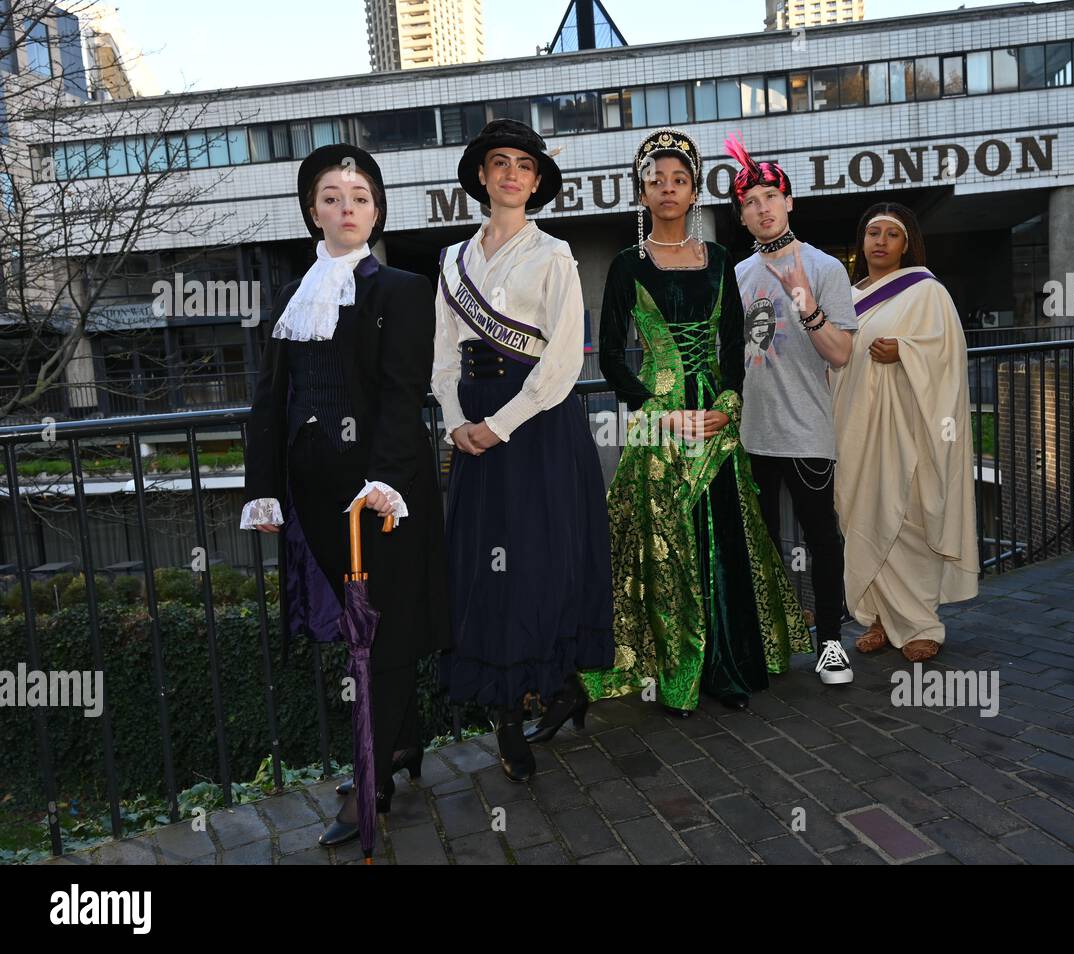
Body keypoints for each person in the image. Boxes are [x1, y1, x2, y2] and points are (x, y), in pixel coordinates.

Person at [242, 143, 451, 848]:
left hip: (380, 490)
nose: (346, 208)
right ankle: (400, 740)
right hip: (313, 486)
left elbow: (401, 397)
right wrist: (265, 489)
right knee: (357, 624)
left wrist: (386, 482)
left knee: (379, 629)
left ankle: (372, 785)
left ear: (377, 209)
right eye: (331, 197)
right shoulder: (293, 295)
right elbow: (270, 400)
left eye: (359, 197)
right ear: (312, 211)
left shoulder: (401, 290)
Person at [584, 128, 810, 717]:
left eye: (678, 181)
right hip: (663, 422)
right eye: (656, 181)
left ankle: (730, 662)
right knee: (670, 546)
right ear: (642, 193)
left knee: (727, 535)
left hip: (714, 418)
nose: (667, 189)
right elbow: (610, 355)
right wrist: (661, 412)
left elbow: (733, 347)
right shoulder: (626, 266)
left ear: (693, 194)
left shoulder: (723, 262)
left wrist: (727, 404)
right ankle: (678, 668)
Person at [432, 119, 613, 783]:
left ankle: (562, 687)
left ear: (537, 183)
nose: (510, 173)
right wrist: (455, 420)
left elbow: (563, 362)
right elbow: (443, 355)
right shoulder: (451, 261)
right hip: (474, 431)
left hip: (535, 427)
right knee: (483, 573)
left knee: (542, 564)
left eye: (523, 166)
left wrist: (498, 425)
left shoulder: (554, 254)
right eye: (498, 162)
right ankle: (507, 715)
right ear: (480, 175)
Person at [725, 133, 857, 686]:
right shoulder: (737, 277)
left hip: (805, 429)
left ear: (789, 202)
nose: (762, 208)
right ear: (743, 215)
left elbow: (843, 353)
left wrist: (805, 304)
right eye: (750, 202)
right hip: (751, 432)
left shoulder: (825, 268)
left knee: (821, 537)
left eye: (769, 198)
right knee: (760, 543)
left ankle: (830, 642)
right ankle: (770, 638)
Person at [833, 202, 979, 663]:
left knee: (907, 518)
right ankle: (877, 616)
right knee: (861, 518)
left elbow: (950, 354)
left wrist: (906, 350)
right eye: (872, 232)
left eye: (890, 235)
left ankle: (920, 625)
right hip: (855, 427)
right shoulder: (848, 296)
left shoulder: (926, 291)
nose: (879, 241)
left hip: (907, 428)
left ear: (906, 244)